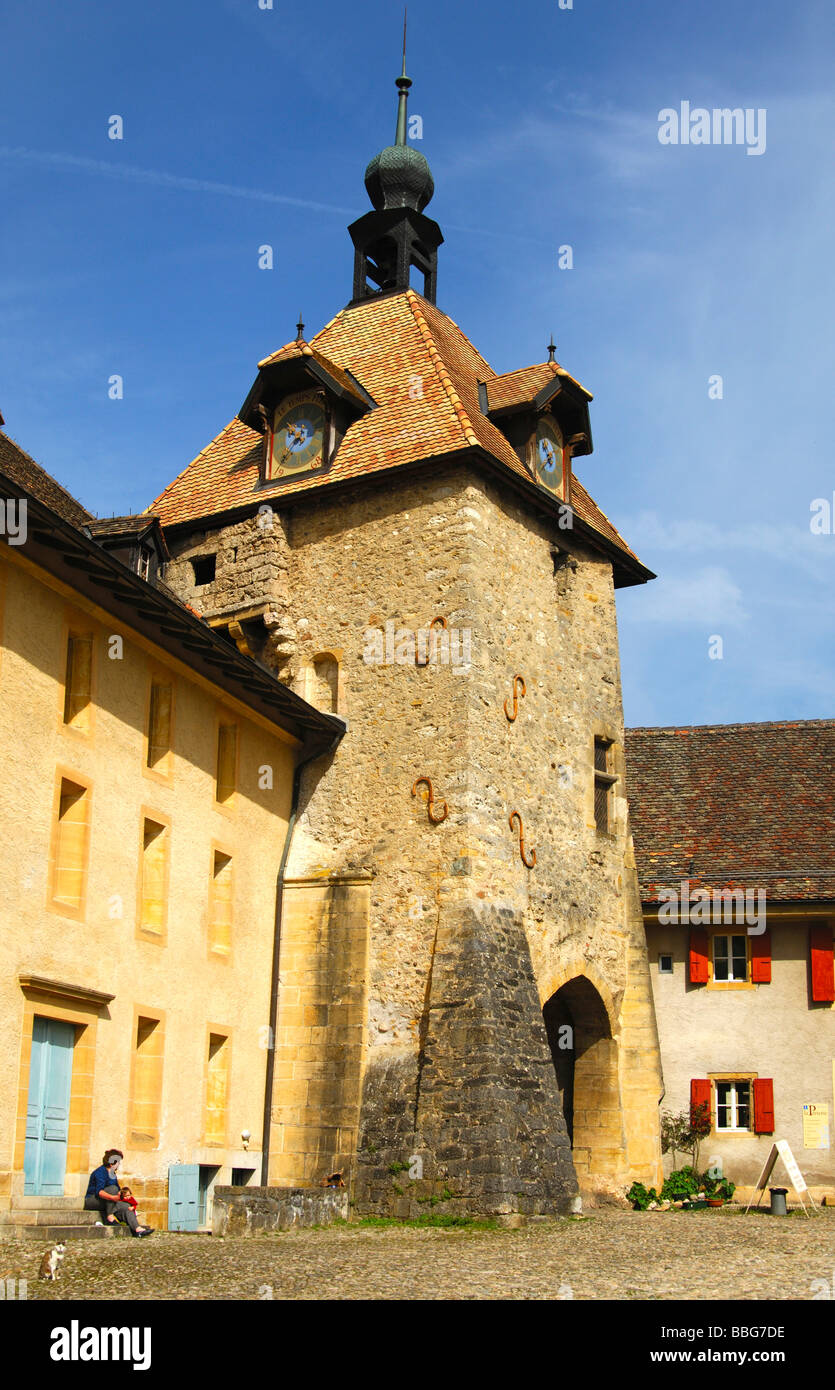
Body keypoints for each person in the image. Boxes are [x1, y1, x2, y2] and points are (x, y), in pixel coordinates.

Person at [84, 1149, 153, 1236]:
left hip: (108, 1202)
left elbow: (118, 1191)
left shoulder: (113, 1174)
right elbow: (100, 1192)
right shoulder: (100, 1172)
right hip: (93, 1200)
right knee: (113, 1189)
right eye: (118, 1162)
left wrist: (125, 1197)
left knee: (126, 1206)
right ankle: (109, 1217)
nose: (119, 1165)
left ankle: (137, 1229)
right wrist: (113, 1198)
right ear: (112, 1163)